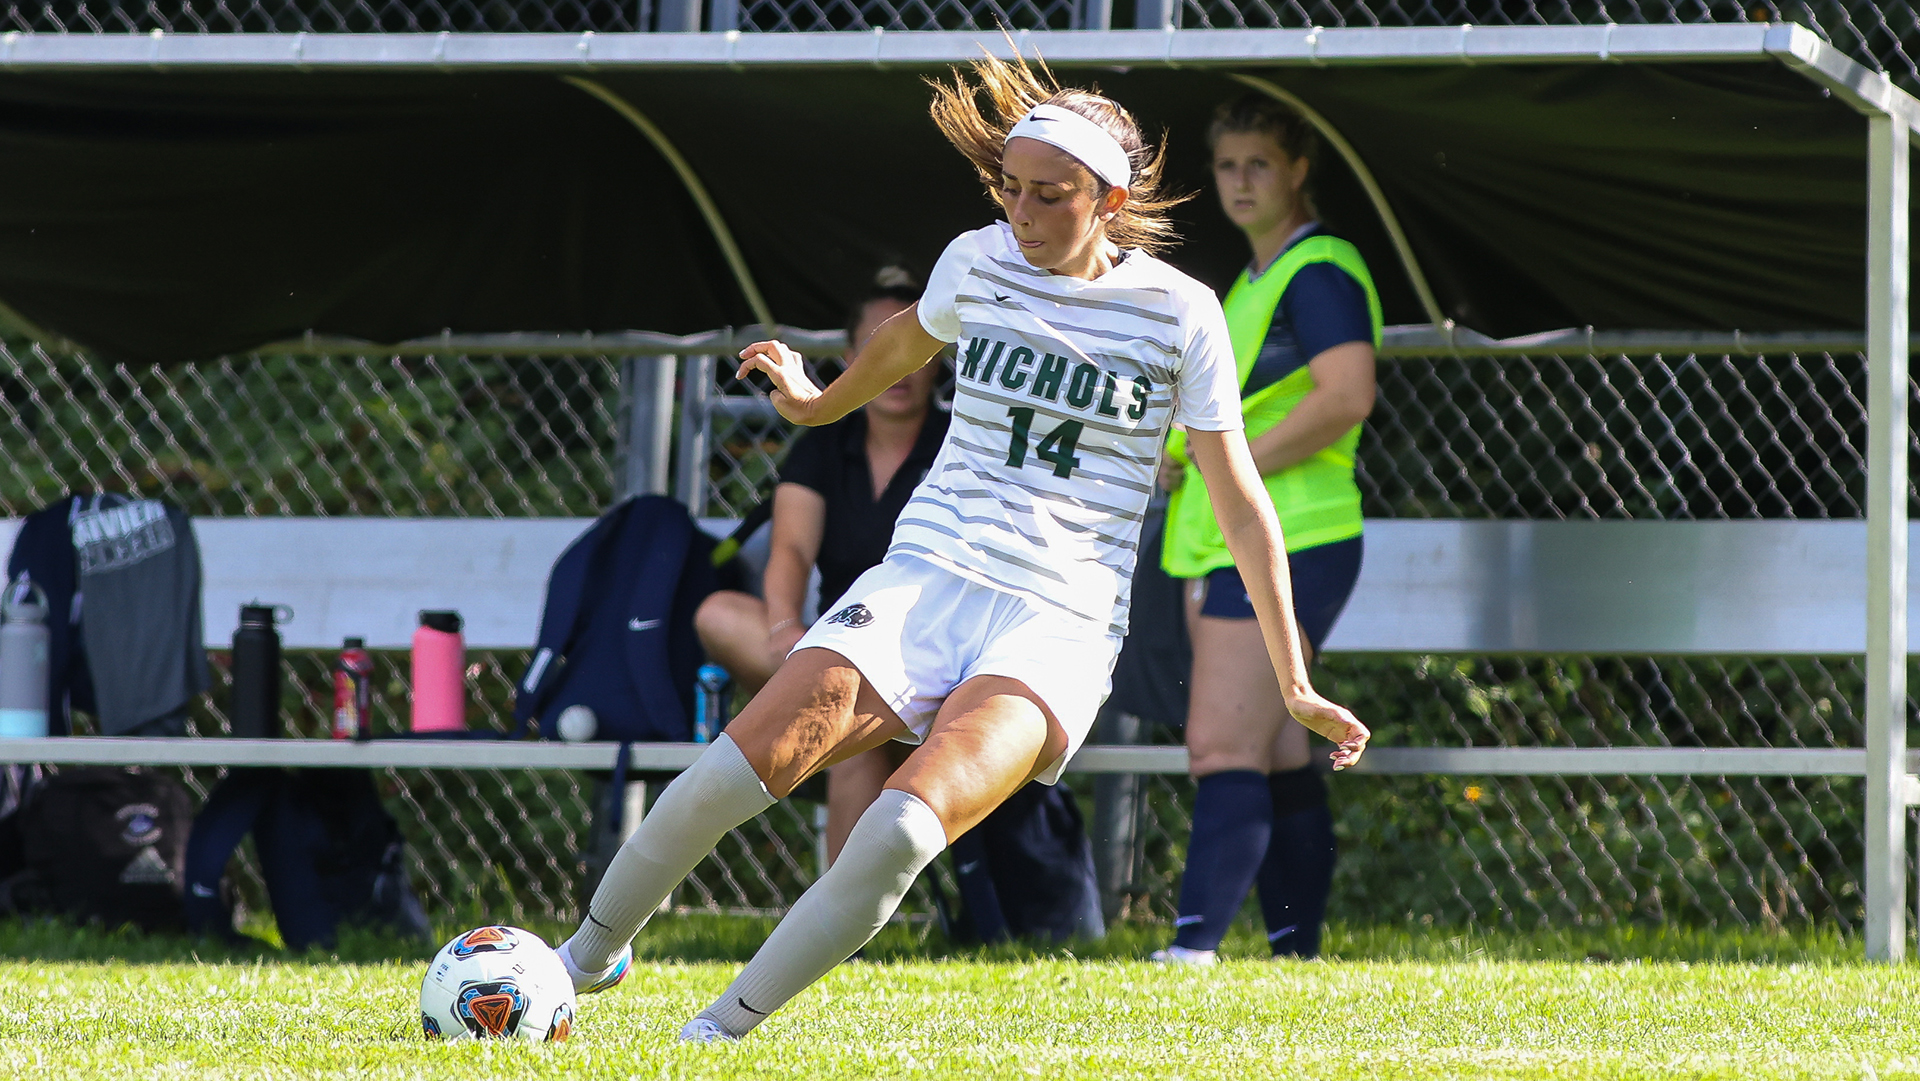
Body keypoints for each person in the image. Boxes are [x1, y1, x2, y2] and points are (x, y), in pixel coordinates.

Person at [550, 53, 1369, 1042]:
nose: (1022, 212)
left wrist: (1294, 682)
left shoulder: (1178, 310)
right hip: (928, 575)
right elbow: (904, 342)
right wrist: (815, 401)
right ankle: (578, 962)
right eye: (1010, 188)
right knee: (733, 771)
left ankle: (714, 1034)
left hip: (1061, 622)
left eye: (1050, 194)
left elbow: (1238, 498)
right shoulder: (976, 260)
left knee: (901, 828)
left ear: (1110, 202)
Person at [1151, 94, 1381, 965]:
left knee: (1221, 742)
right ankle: (1295, 954)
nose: (1240, 181)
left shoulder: (1316, 269)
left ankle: (1192, 949)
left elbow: (1346, 396)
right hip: (1231, 540)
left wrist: (1220, 462)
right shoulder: (1253, 279)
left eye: (1259, 164)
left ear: (1298, 171)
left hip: (1297, 533)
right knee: (1279, 751)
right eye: (1226, 165)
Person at [694, 267, 943, 865]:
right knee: (720, 615)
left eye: (908, 346)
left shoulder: (960, 445)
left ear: (935, 358)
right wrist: (786, 630)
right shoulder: (823, 443)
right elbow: (791, 550)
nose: (897, 368)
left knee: (847, 717)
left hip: (933, 657)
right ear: (852, 359)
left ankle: (835, 915)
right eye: (875, 345)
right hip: (834, 644)